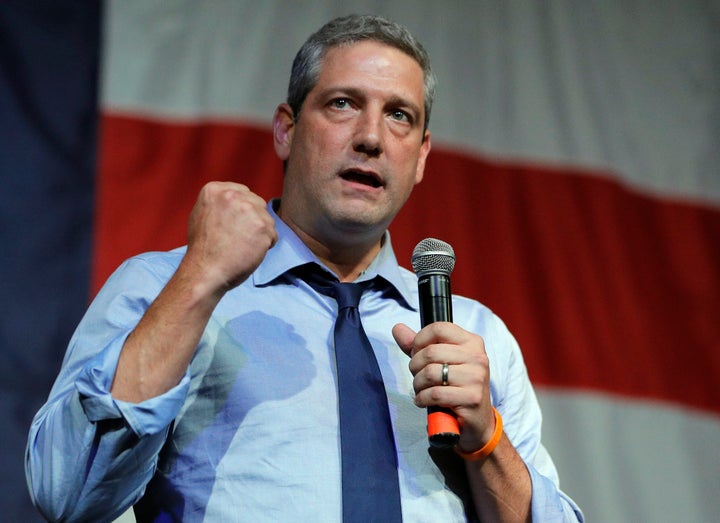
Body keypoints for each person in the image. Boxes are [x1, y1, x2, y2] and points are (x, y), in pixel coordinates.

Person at [26, 14, 583, 523]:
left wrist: (485, 441)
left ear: (421, 157)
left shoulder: (477, 336)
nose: (370, 137)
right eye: (343, 103)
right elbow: (67, 493)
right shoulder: (165, 287)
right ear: (286, 130)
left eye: (399, 116)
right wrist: (199, 281)